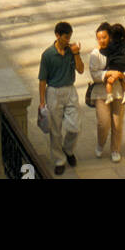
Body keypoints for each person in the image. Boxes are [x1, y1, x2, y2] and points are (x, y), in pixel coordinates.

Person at [38, 22, 84, 175]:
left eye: (69, 37)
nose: (68, 40)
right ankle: (59, 160)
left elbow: (81, 70)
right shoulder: (48, 55)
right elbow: (42, 80)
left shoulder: (71, 51)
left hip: (70, 90)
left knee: (75, 126)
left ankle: (68, 149)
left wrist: (76, 54)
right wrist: (42, 101)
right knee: (55, 130)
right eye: (65, 37)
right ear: (57, 35)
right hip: (53, 91)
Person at [90, 22, 125, 163]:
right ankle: (100, 143)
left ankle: (115, 149)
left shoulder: (119, 50)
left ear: (110, 37)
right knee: (103, 123)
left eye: (104, 37)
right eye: (99, 38)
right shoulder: (95, 54)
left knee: (117, 123)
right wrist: (109, 73)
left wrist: (119, 75)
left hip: (118, 92)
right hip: (101, 93)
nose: (101, 40)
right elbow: (94, 74)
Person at [101, 23, 125, 104]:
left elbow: (104, 52)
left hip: (114, 64)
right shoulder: (124, 44)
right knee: (121, 79)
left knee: (109, 81)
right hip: (123, 64)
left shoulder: (110, 45)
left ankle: (109, 95)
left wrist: (100, 49)